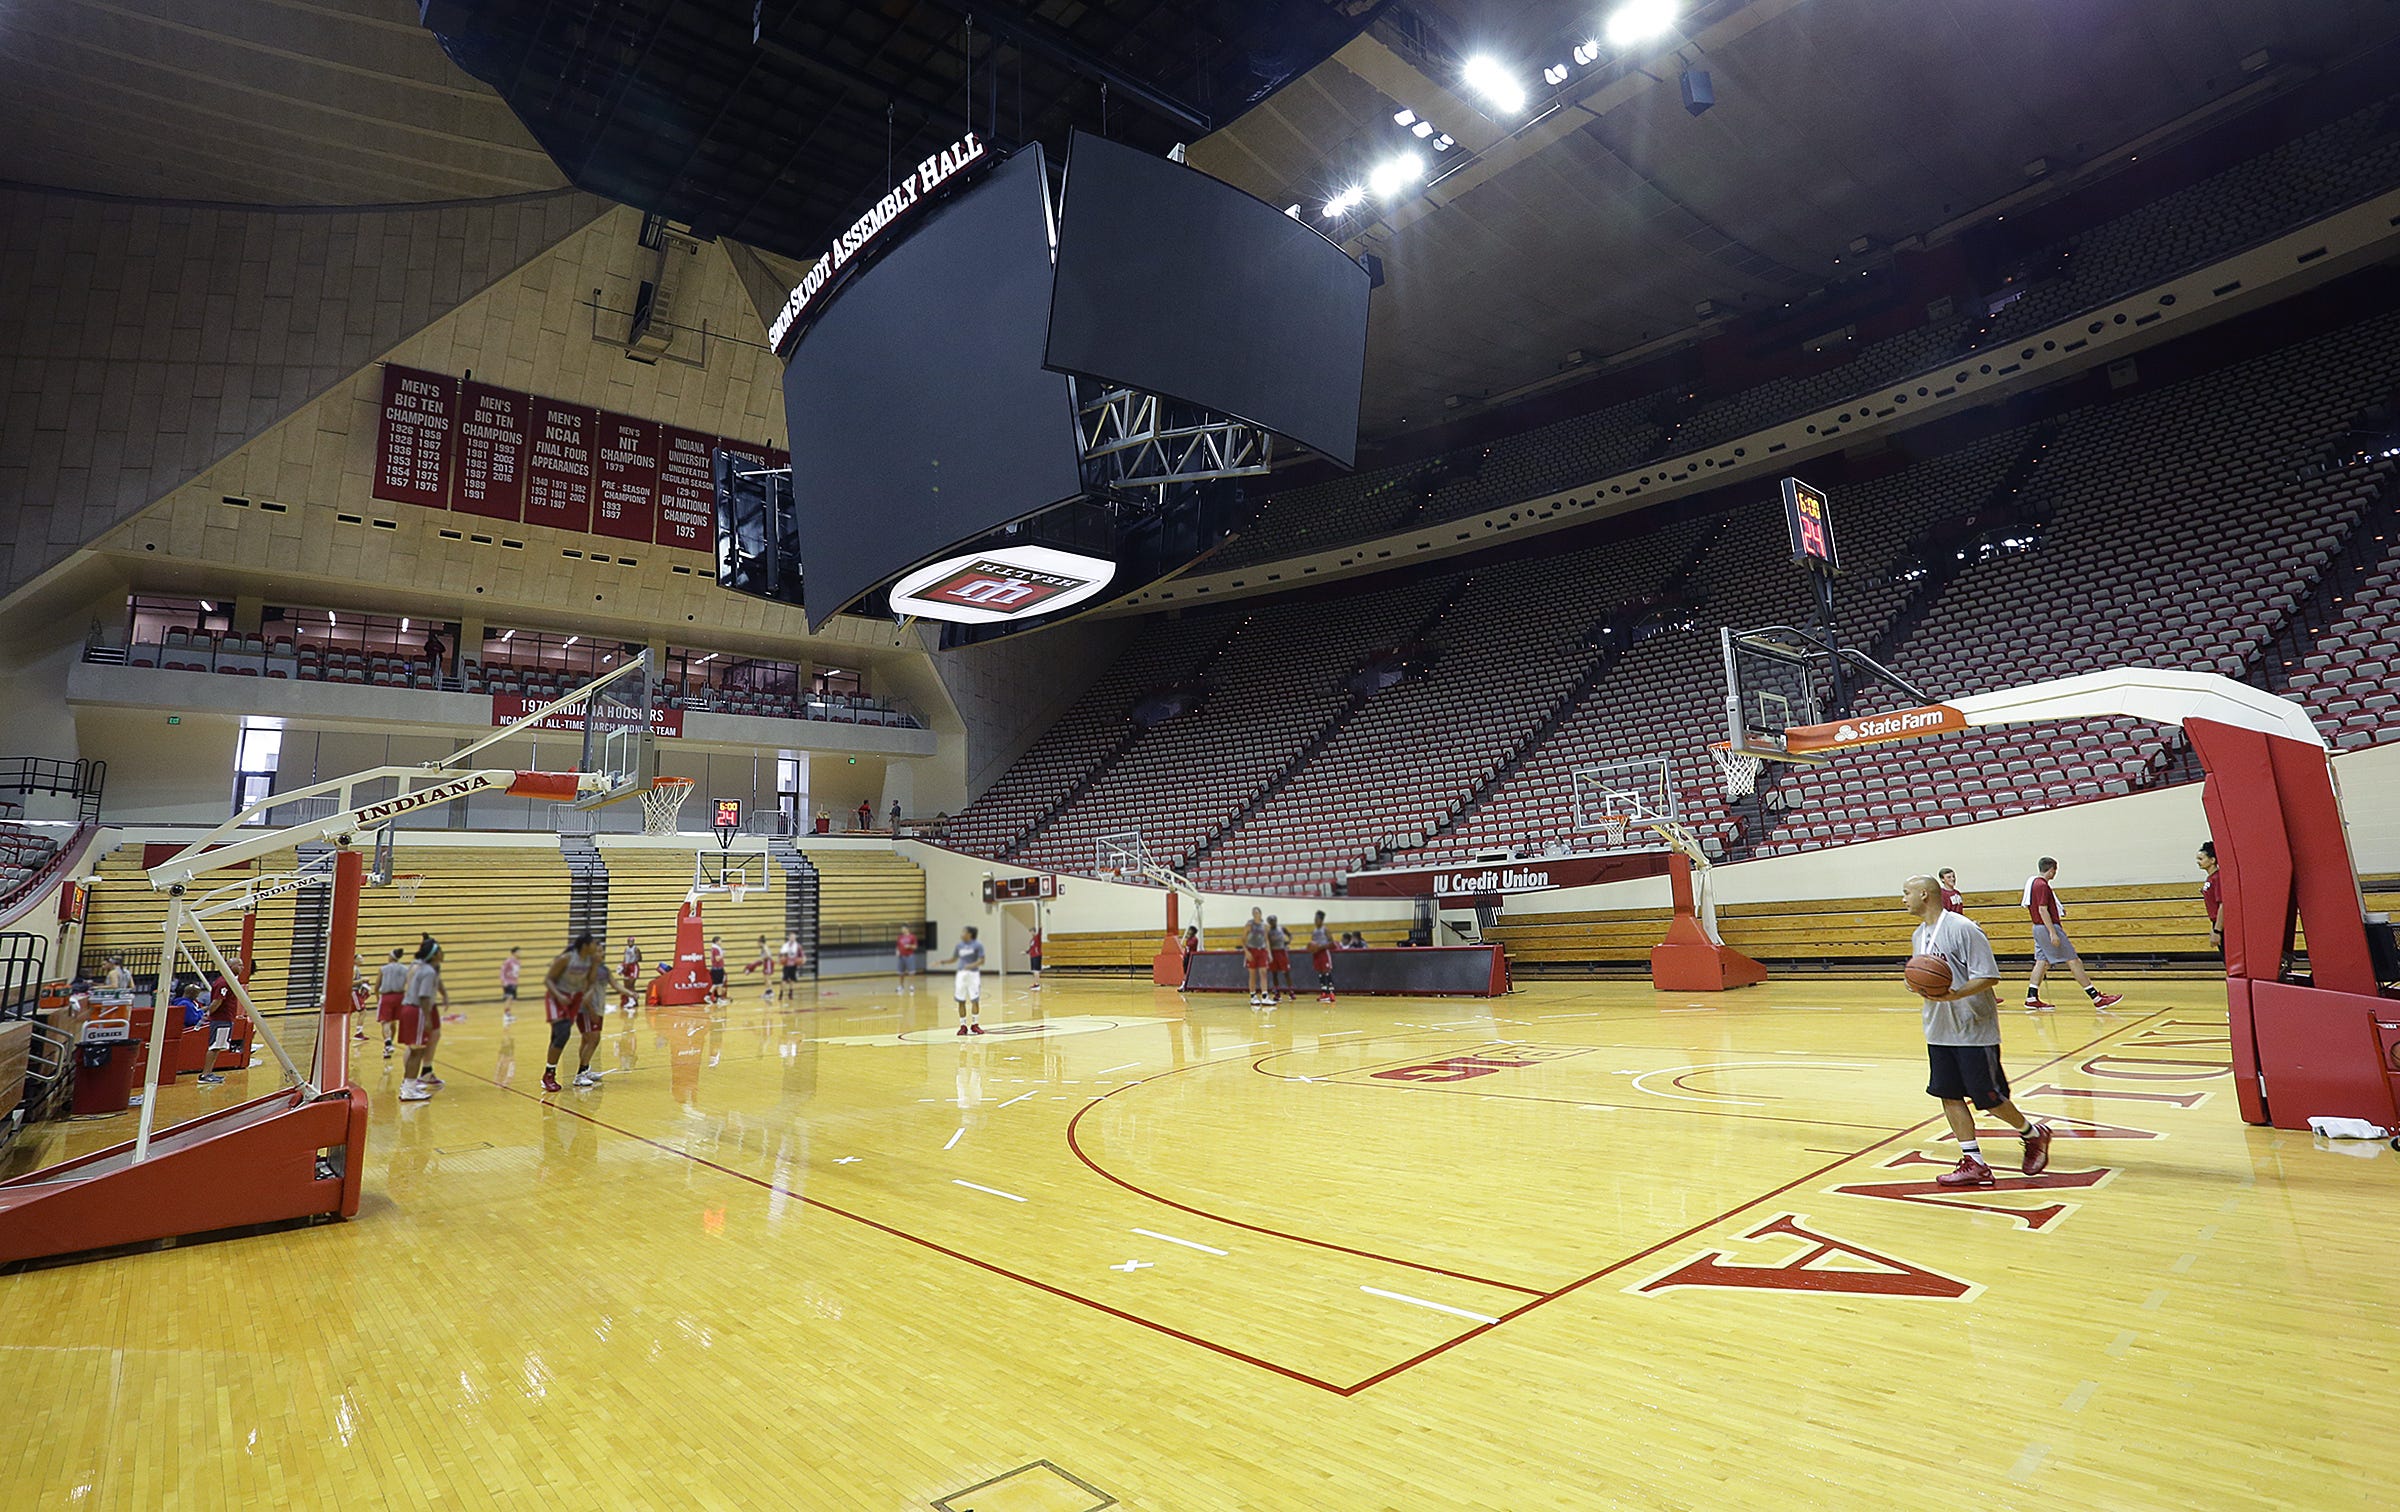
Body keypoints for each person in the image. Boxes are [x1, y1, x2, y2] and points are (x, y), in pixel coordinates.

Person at [1902, 873, 2052, 1187]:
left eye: (1907, 893)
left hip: (1973, 1028)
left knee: (1990, 1098)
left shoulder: (1964, 929)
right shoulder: (1920, 934)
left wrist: (1954, 994)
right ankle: (1975, 1162)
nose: (1903, 899)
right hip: (1938, 1027)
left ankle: (2033, 1134)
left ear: (1925, 895)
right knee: (1948, 1094)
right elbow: (1926, 975)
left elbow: (1989, 976)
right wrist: (1915, 983)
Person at [2023, 857, 2123, 1010]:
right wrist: (2052, 933)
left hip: (2037, 928)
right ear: (2052, 870)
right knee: (2073, 960)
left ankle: (2031, 997)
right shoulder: (2042, 885)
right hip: (2046, 927)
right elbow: (2042, 909)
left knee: (2042, 962)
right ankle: (2096, 997)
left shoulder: (2033, 883)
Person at [540, 933, 609, 1093]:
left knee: (557, 1036)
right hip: (557, 996)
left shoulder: (589, 960)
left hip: (574, 998)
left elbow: (590, 981)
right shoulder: (567, 958)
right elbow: (548, 980)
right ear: (585, 946)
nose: (597, 947)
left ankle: (549, 1072)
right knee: (562, 1033)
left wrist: (594, 965)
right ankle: (549, 1075)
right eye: (594, 944)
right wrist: (559, 996)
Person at [397, 942, 450, 1101]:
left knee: (415, 1050)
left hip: (410, 1009)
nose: (442, 952)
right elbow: (424, 997)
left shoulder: (422, 968)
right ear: (433, 954)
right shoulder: (428, 972)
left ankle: (408, 1086)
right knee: (417, 1051)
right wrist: (427, 1019)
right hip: (417, 1011)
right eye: (439, 950)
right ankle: (408, 1090)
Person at [942, 925, 987, 1035]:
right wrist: (942, 962)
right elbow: (954, 959)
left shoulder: (978, 945)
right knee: (961, 1000)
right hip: (961, 975)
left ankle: (975, 1025)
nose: (961, 934)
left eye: (964, 932)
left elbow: (982, 960)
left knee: (974, 999)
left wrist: (971, 965)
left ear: (969, 934)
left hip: (973, 974)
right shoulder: (959, 946)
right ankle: (963, 1026)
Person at [375, 946, 409, 1059]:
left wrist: (377, 998)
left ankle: (388, 1043)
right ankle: (387, 1049)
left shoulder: (383, 969)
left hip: (387, 997)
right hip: (400, 996)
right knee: (393, 1023)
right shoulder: (405, 969)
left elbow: (377, 986)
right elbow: (409, 984)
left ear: (391, 957)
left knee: (385, 1022)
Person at [1242, 907, 1271, 1007]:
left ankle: (1264, 996)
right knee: (1253, 974)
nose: (1255, 914)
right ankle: (1253, 996)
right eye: (1254, 913)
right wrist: (1246, 952)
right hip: (1251, 950)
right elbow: (1243, 939)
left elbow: (1267, 940)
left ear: (1260, 913)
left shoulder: (1265, 926)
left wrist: (1269, 953)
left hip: (1262, 950)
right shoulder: (1249, 925)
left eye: (1257, 912)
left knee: (1263, 973)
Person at [2198, 840, 2223, 955]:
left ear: (2212, 860)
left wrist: (2217, 930)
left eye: (2201, 859)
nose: (2198, 862)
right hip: (2215, 922)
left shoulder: (2217, 878)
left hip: (2222, 925)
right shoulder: (2211, 878)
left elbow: (2222, 905)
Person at [1309, 911, 1337, 1004]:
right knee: (1320, 973)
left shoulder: (1325, 930)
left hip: (1324, 952)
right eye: (1314, 919)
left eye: (1316, 919)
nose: (1315, 921)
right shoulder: (1314, 931)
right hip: (1316, 954)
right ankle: (1324, 993)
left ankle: (1331, 993)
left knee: (1327, 972)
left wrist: (1320, 947)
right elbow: (1312, 943)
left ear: (1321, 920)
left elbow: (1332, 943)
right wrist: (1312, 948)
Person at [1266, 915, 1293, 1002]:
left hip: (1282, 951)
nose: (1272, 922)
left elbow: (1290, 935)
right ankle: (1277, 993)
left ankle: (1291, 991)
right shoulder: (1268, 931)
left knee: (1286, 972)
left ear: (1276, 920)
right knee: (1274, 973)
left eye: (1273, 920)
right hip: (1273, 952)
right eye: (1270, 921)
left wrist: (1288, 941)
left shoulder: (1281, 928)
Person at [618, 937, 642, 1014]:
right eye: (629, 941)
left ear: (633, 942)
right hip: (627, 967)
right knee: (626, 985)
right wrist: (622, 967)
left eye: (631, 941)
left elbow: (640, 958)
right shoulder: (626, 949)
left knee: (631, 985)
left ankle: (633, 1000)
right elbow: (624, 959)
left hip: (633, 967)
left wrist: (634, 959)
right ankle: (631, 1000)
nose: (630, 942)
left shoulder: (636, 949)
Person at [500, 947, 521, 1020]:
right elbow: (502, 971)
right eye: (518, 952)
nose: (520, 953)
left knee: (511, 999)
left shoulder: (518, 962)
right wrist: (503, 981)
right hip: (508, 982)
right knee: (509, 998)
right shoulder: (508, 961)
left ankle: (508, 1013)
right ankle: (506, 1015)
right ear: (514, 953)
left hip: (514, 982)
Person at [1178, 926, 1200, 995]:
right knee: (1185, 972)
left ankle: (1189, 985)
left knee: (1190, 972)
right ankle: (1184, 985)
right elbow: (1186, 949)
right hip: (1187, 957)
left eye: (1190, 931)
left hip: (1191, 957)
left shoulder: (1194, 939)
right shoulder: (1188, 939)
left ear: (1193, 932)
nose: (1188, 932)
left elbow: (1190, 947)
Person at [706, 935, 727, 1005]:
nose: (721, 942)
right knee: (718, 984)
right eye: (720, 940)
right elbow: (717, 959)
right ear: (717, 941)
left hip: (716, 968)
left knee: (717, 984)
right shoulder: (716, 949)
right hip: (717, 969)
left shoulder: (714, 948)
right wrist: (723, 954)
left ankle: (717, 998)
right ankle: (710, 996)